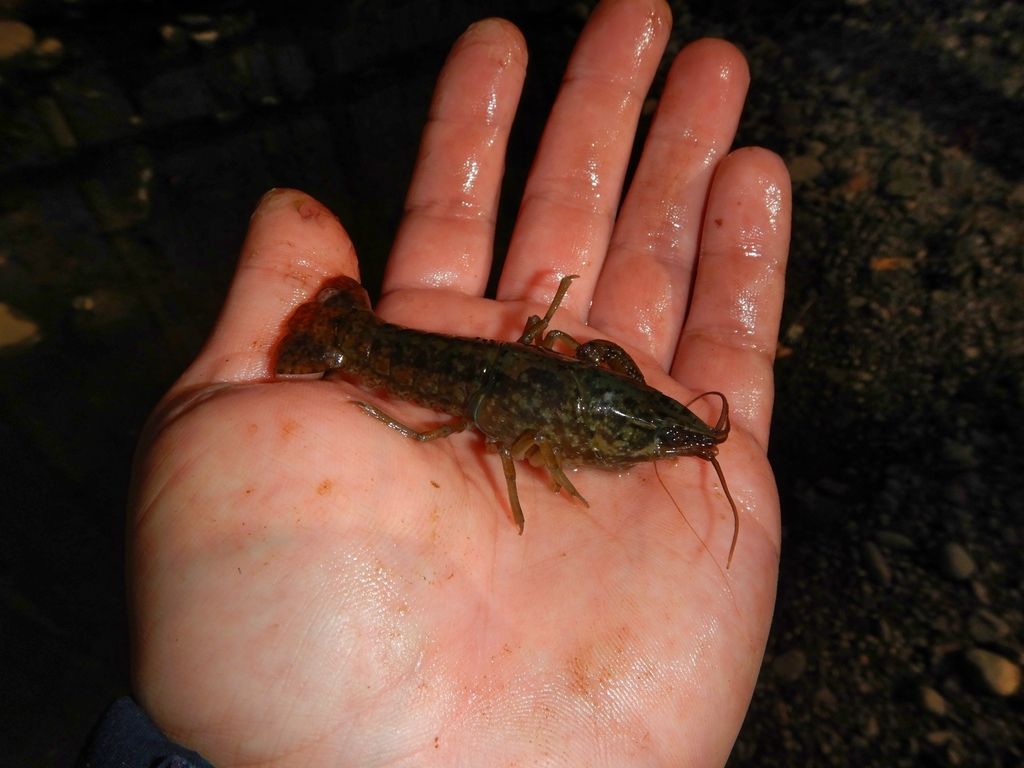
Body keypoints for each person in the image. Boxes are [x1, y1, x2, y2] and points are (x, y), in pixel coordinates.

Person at [79, 0, 790, 764]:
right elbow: (575, 415)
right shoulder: (589, 427)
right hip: (438, 373)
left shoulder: (611, 402)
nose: (667, 430)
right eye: (658, 427)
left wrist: (661, 426)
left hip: (481, 377)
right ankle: (349, 344)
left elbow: (593, 376)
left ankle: (355, 344)